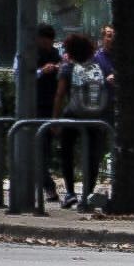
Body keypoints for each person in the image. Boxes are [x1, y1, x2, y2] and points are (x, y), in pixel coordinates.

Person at [53, 33, 110, 209]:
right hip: (95, 116)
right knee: (92, 157)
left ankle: (70, 193)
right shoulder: (97, 66)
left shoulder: (67, 68)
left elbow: (60, 94)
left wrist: (55, 120)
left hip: (73, 114)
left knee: (67, 153)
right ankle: (88, 194)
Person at [31, 25, 63, 203]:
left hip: (50, 106)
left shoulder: (56, 54)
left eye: (49, 40)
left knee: (44, 150)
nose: (46, 43)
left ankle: (47, 186)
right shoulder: (29, 53)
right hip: (33, 106)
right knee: (38, 150)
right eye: (43, 39)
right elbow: (20, 75)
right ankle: (48, 187)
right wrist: (41, 72)